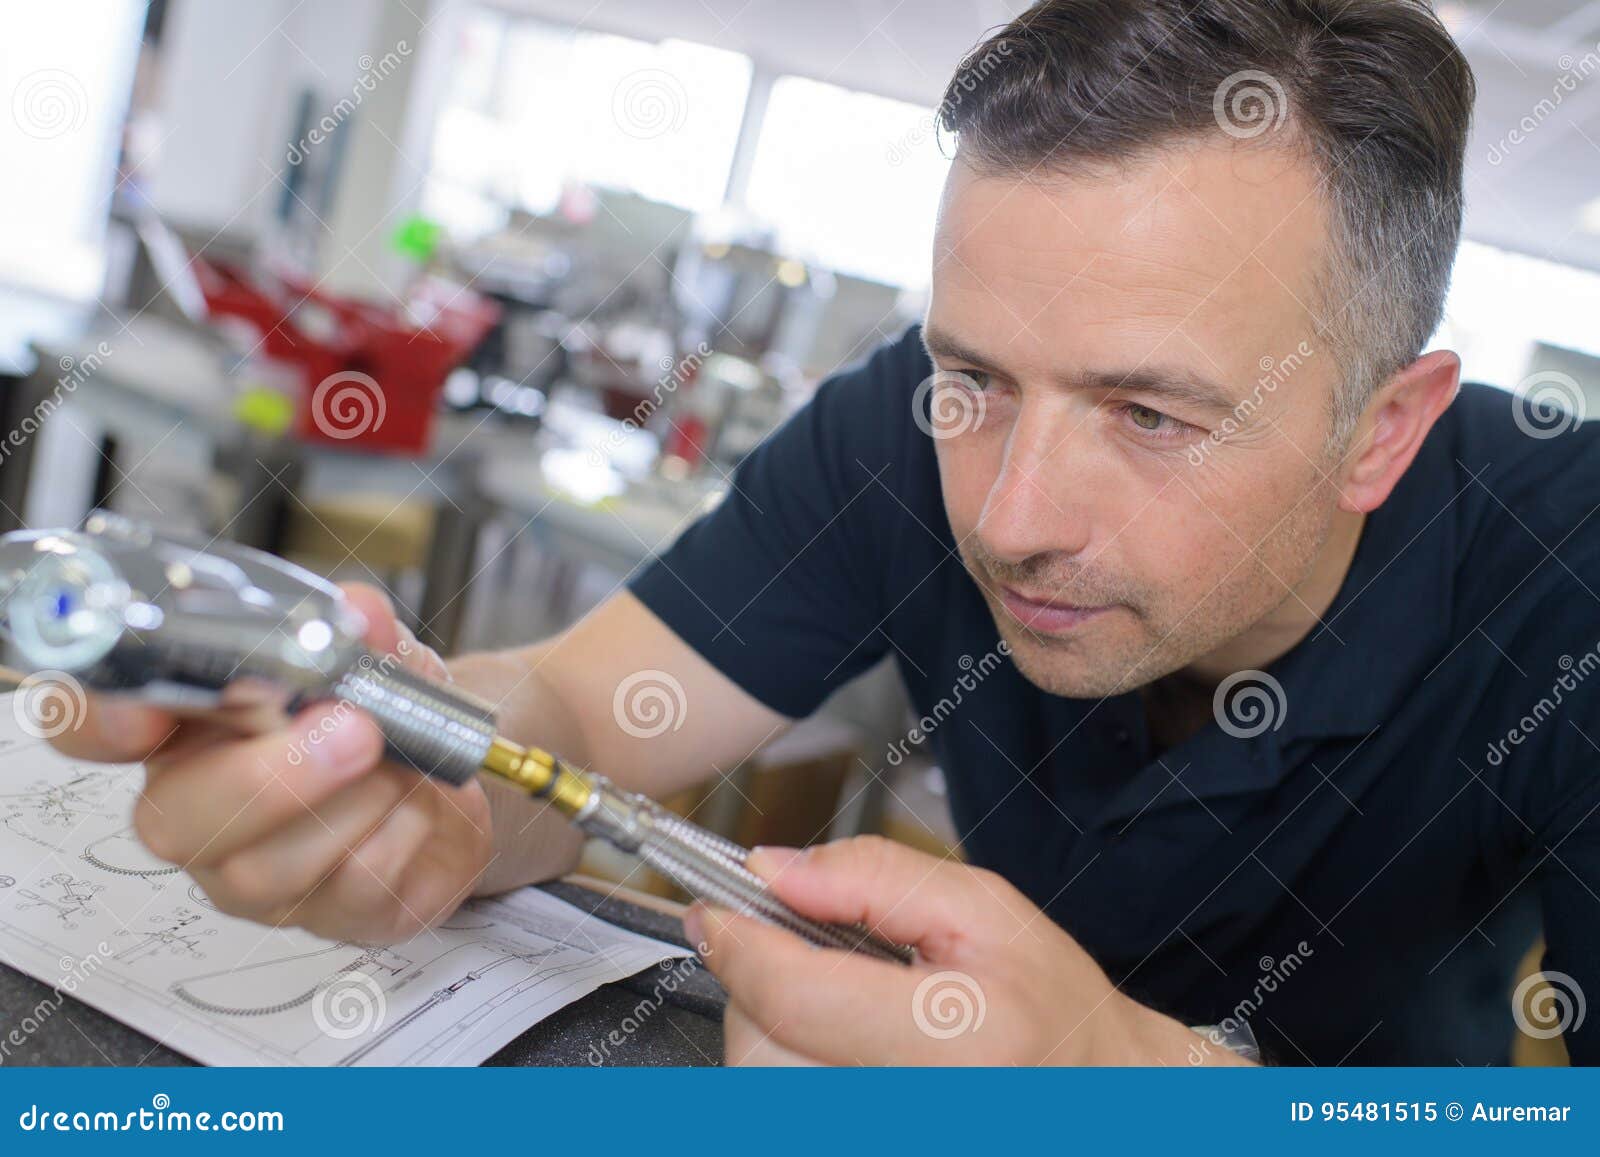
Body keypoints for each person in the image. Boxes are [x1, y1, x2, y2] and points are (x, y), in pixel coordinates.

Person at [48, 0, 1600, 1065]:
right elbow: (587, 709)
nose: (1010, 514)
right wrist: (446, 781)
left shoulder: (1568, 562)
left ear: (1381, 429)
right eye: (978, 375)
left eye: (1153, 416)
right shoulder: (902, 423)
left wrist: (1139, 1083)